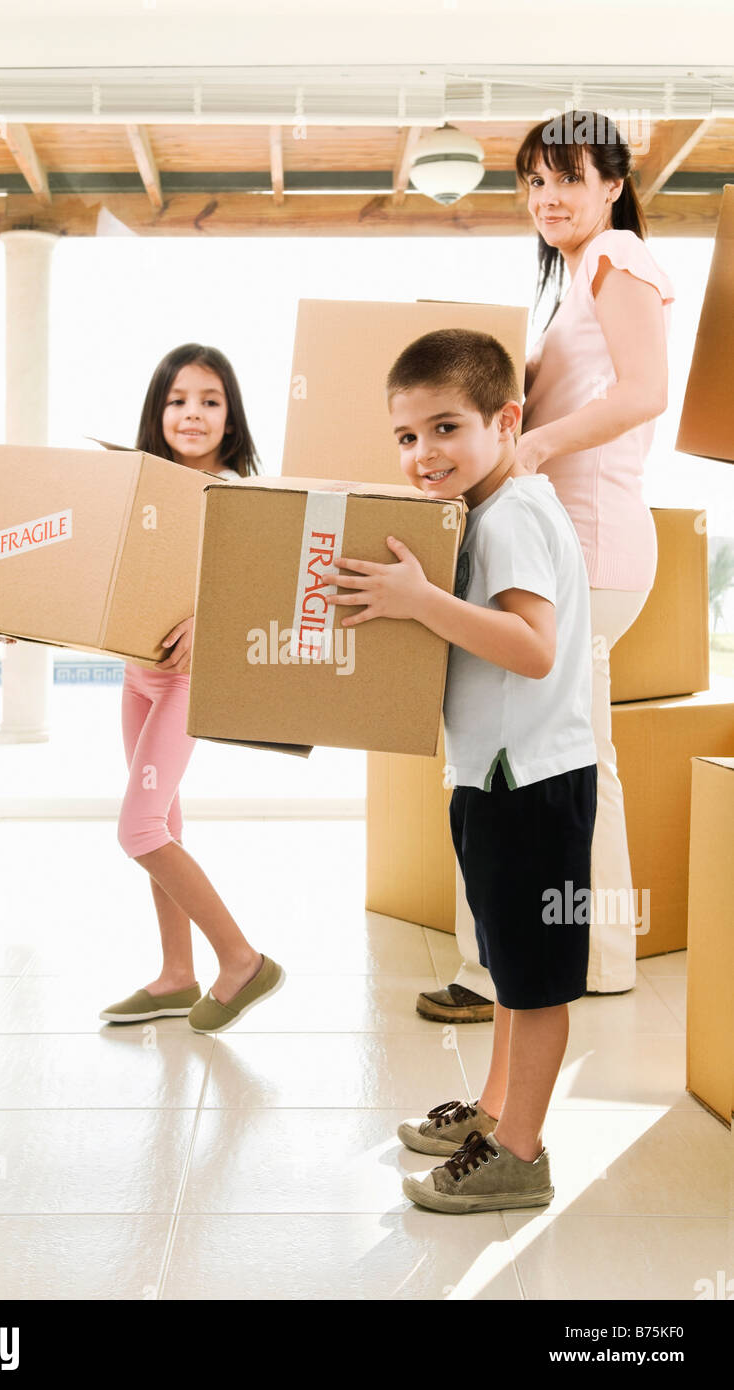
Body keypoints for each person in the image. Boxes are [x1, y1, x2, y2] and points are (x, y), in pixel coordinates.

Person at [326, 328, 596, 1211]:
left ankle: (521, 1152)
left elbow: (531, 648)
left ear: (505, 419)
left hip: (532, 784)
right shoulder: (484, 510)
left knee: (537, 975)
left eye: (445, 428)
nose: (423, 454)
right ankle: (493, 1109)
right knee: (509, 964)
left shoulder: (513, 513)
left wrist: (420, 602)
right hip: (495, 778)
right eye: (407, 438)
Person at [420, 110, 674, 1026]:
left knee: (565, 759)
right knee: (562, 753)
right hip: (562, 545)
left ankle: (579, 959)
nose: (547, 197)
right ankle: (541, 957)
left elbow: (647, 394)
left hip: (592, 544)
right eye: (532, 182)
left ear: (613, 184)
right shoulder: (572, 280)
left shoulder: (619, 259)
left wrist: (532, 447)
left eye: (567, 176)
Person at [99, 343, 285, 1032]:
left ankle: (240, 959)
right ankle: (177, 975)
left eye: (210, 400)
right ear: (157, 412)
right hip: (136, 676)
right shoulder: (139, 487)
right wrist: (24, 621)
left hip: (189, 681)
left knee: (139, 827)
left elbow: (266, 583)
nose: (192, 413)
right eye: (178, 400)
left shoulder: (239, 492)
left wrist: (210, 619)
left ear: (231, 419)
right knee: (165, 819)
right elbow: (98, 576)